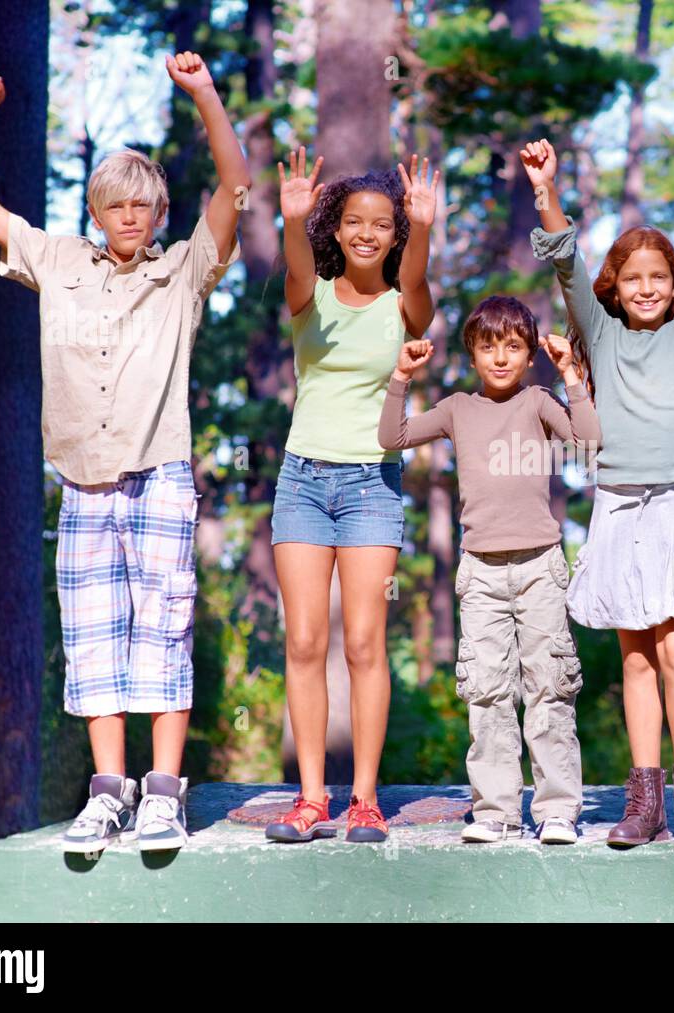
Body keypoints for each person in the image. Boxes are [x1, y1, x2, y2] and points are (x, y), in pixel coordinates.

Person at [0, 53, 248, 852]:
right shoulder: (58, 262)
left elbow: (233, 190)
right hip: (84, 483)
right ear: (97, 210)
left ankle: (163, 795)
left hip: (159, 475)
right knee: (93, 635)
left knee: (163, 626)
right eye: (117, 205)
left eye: (144, 207)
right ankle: (109, 794)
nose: (131, 217)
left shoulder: (182, 274)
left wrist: (203, 94)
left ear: (158, 215)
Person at [522, 133, 674, 849]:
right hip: (616, 504)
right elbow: (566, 262)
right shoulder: (602, 335)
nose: (646, 286)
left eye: (658, 276)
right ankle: (642, 802)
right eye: (632, 276)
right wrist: (546, 191)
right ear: (614, 287)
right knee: (635, 657)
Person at [378, 296, 600, 845]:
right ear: (473, 355)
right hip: (479, 572)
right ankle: (495, 811)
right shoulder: (458, 408)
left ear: (529, 357)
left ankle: (556, 811)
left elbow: (590, 443)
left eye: (513, 347)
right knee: (488, 692)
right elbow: (392, 438)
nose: (500, 358)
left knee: (549, 688)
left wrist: (570, 372)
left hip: (540, 566)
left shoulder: (538, 401)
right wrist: (401, 376)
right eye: (488, 347)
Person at [263, 148, 437, 844]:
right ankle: (311, 797)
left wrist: (422, 225)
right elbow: (297, 270)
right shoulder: (311, 296)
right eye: (356, 221)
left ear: (394, 236)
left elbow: (419, 283)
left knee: (366, 642)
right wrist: (292, 217)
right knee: (305, 641)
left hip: (372, 481)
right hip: (303, 480)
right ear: (337, 228)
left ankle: (364, 797)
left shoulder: (406, 305)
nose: (368, 232)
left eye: (384, 224)